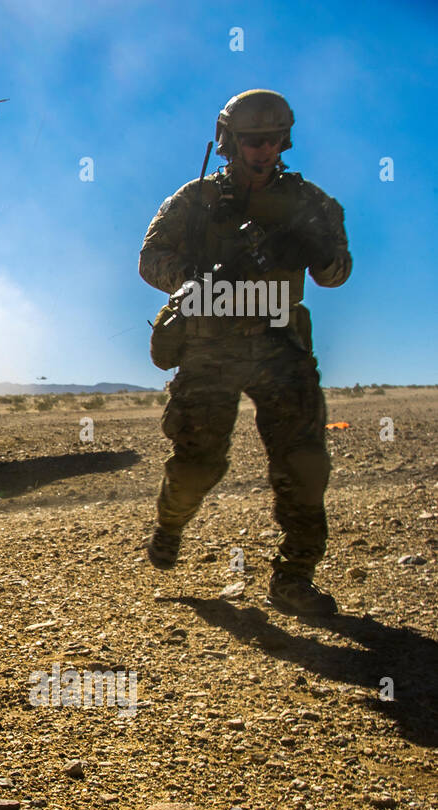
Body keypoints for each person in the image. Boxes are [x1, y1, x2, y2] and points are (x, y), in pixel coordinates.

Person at [139, 90, 352, 616]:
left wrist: (316, 247)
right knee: (197, 463)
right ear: (229, 140)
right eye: (252, 140)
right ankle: (170, 523)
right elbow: (150, 258)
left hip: (282, 348)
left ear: (286, 139)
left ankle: (294, 578)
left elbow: (336, 274)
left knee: (302, 465)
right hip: (209, 348)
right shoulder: (194, 199)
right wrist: (191, 279)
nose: (263, 149)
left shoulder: (311, 202)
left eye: (273, 139)